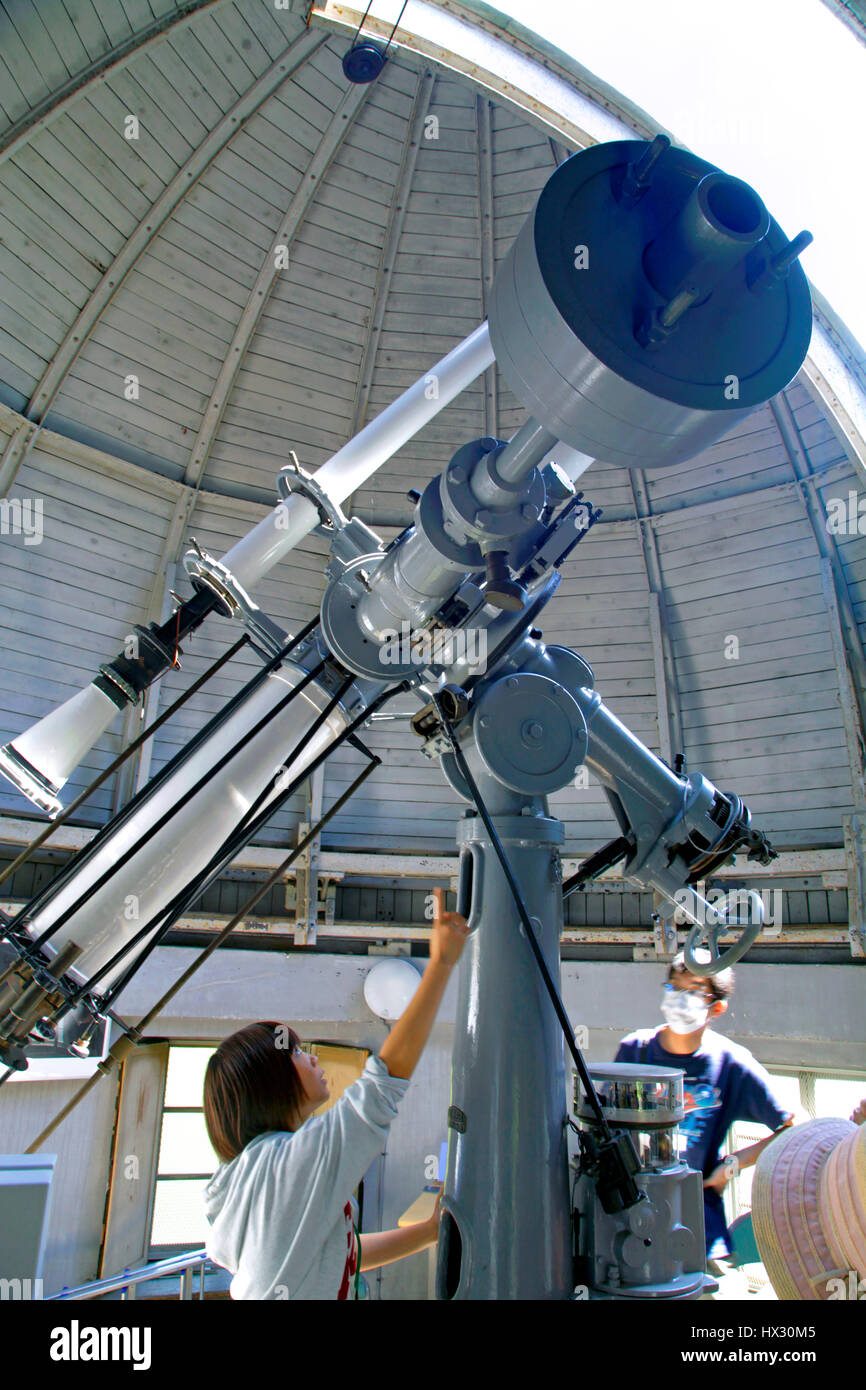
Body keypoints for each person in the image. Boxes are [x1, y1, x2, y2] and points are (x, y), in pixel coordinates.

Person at [202, 887, 470, 1299]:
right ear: (272, 1084)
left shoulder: (255, 1173)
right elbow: (382, 1085)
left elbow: (341, 1251)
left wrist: (428, 1232)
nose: (311, 1058)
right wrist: (440, 964)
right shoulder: (289, 1165)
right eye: (295, 1053)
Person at [614, 950, 794, 1299]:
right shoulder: (635, 1051)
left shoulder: (731, 1064)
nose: (682, 999)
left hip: (699, 1234)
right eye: (675, 988)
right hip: (631, 1228)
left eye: (695, 990)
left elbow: (790, 1129)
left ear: (717, 1007)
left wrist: (731, 1166)